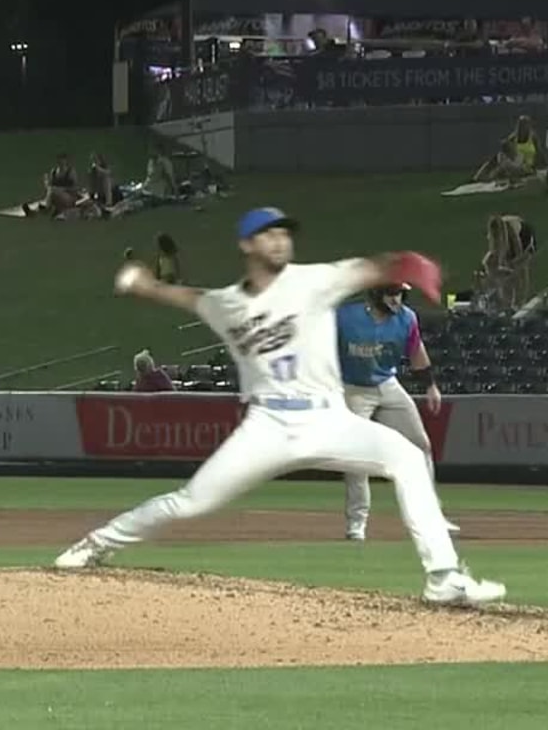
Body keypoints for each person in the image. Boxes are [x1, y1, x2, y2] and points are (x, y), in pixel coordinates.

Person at [53, 207, 505, 607]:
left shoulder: (315, 280)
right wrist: (146, 285)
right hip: (266, 426)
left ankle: (444, 578)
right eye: (269, 233)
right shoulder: (227, 304)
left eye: (285, 233)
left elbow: (374, 269)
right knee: (191, 502)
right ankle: (97, 543)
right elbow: (188, 297)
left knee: (407, 457)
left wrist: (412, 265)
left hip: (327, 418)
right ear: (247, 244)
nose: (280, 239)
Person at [336, 283, 458, 542]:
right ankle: (357, 524)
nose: (396, 299)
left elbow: (417, 353)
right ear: (376, 294)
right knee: (356, 458)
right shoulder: (346, 317)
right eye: (391, 293)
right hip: (353, 388)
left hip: (386, 384)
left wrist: (430, 386)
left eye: (400, 293)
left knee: (420, 445)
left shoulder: (407, 318)